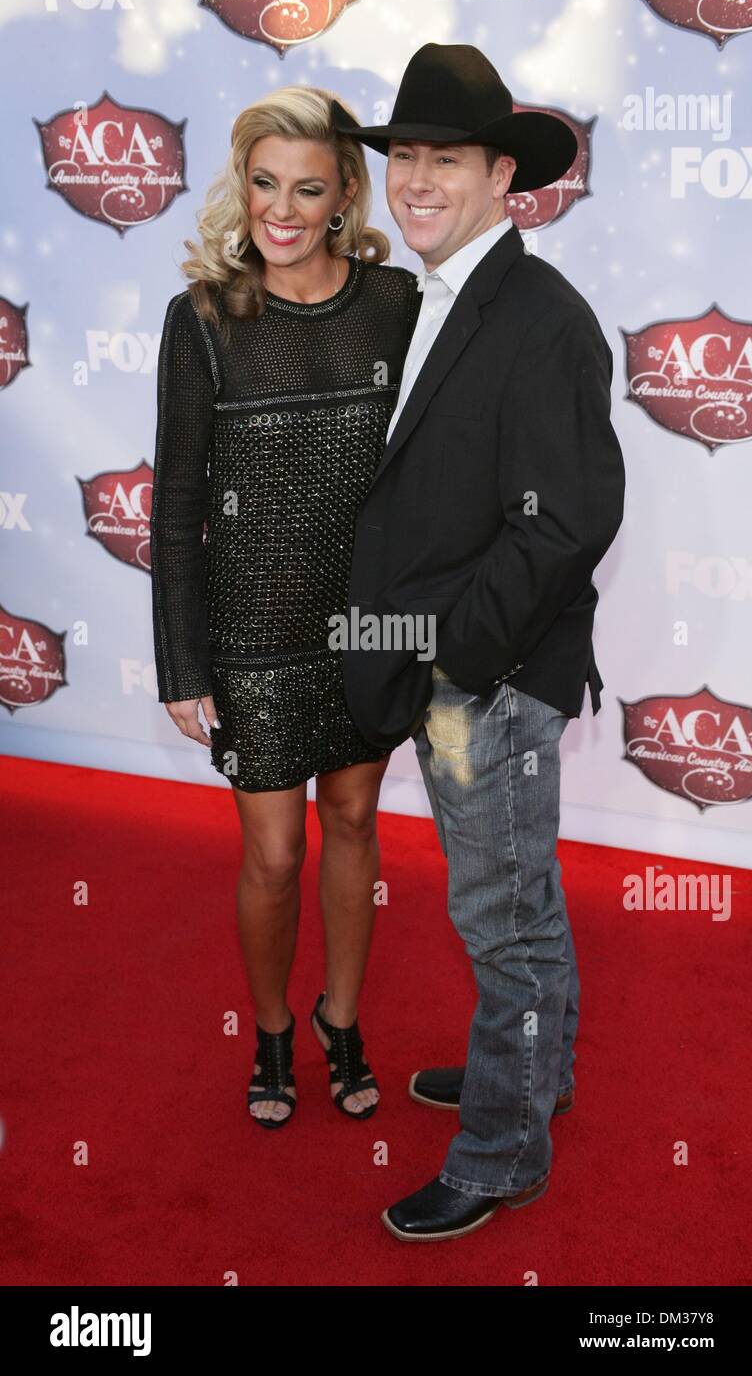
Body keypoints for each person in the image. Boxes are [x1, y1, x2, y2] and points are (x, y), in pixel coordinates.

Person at [334, 44, 626, 1239]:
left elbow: (565, 519)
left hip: (488, 675)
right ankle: (535, 1073)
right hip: (450, 657)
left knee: (498, 917)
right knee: (520, 900)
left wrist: (456, 653)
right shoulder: (432, 296)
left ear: (504, 174)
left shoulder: (541, 319)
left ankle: (504, 1151)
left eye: (442, 159)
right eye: (402, 156)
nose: (413, 180)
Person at [149, 86, 420, 1129]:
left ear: (346, 191)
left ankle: (337, 1019)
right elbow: (175, 501)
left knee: (353, 818)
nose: (283, 208)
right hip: (252, 623)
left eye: (309, 187)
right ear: (241, 181)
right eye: (265, 183)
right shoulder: (207, 315)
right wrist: (183, 663)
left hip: (366, 619)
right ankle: (268, 1031)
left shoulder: (396, 304)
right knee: (273, 852)